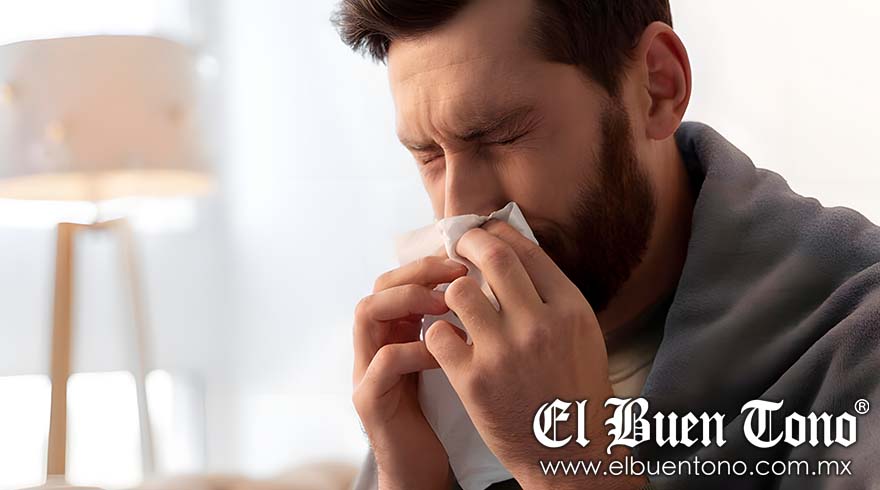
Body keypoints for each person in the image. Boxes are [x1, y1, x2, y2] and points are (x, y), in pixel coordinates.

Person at [332, 1, 880, 488]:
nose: (458, 212)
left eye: (502, 135)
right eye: (428, 155)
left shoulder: (859, 342)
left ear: (657, 88)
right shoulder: (443, 382)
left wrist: (570, 458)